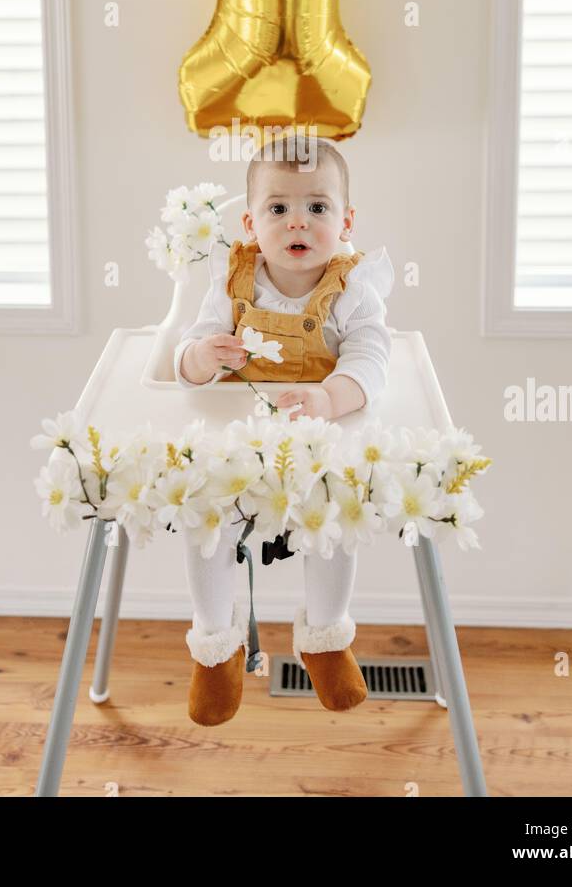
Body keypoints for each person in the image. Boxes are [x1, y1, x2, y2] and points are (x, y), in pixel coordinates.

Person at [173, 135, 394, 725]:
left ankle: (325, 638)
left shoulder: (353, 289)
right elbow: (187, 354)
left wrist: (329, 397)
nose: (299, 221)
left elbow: (371, 361)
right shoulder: (233, 281)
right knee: (208, 522)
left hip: (320, 441)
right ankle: (216, 646)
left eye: (318, 207)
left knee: (333, 523)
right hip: (237, 441)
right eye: (279, 208)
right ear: (250, 222)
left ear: (345, 220)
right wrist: (200, 358)